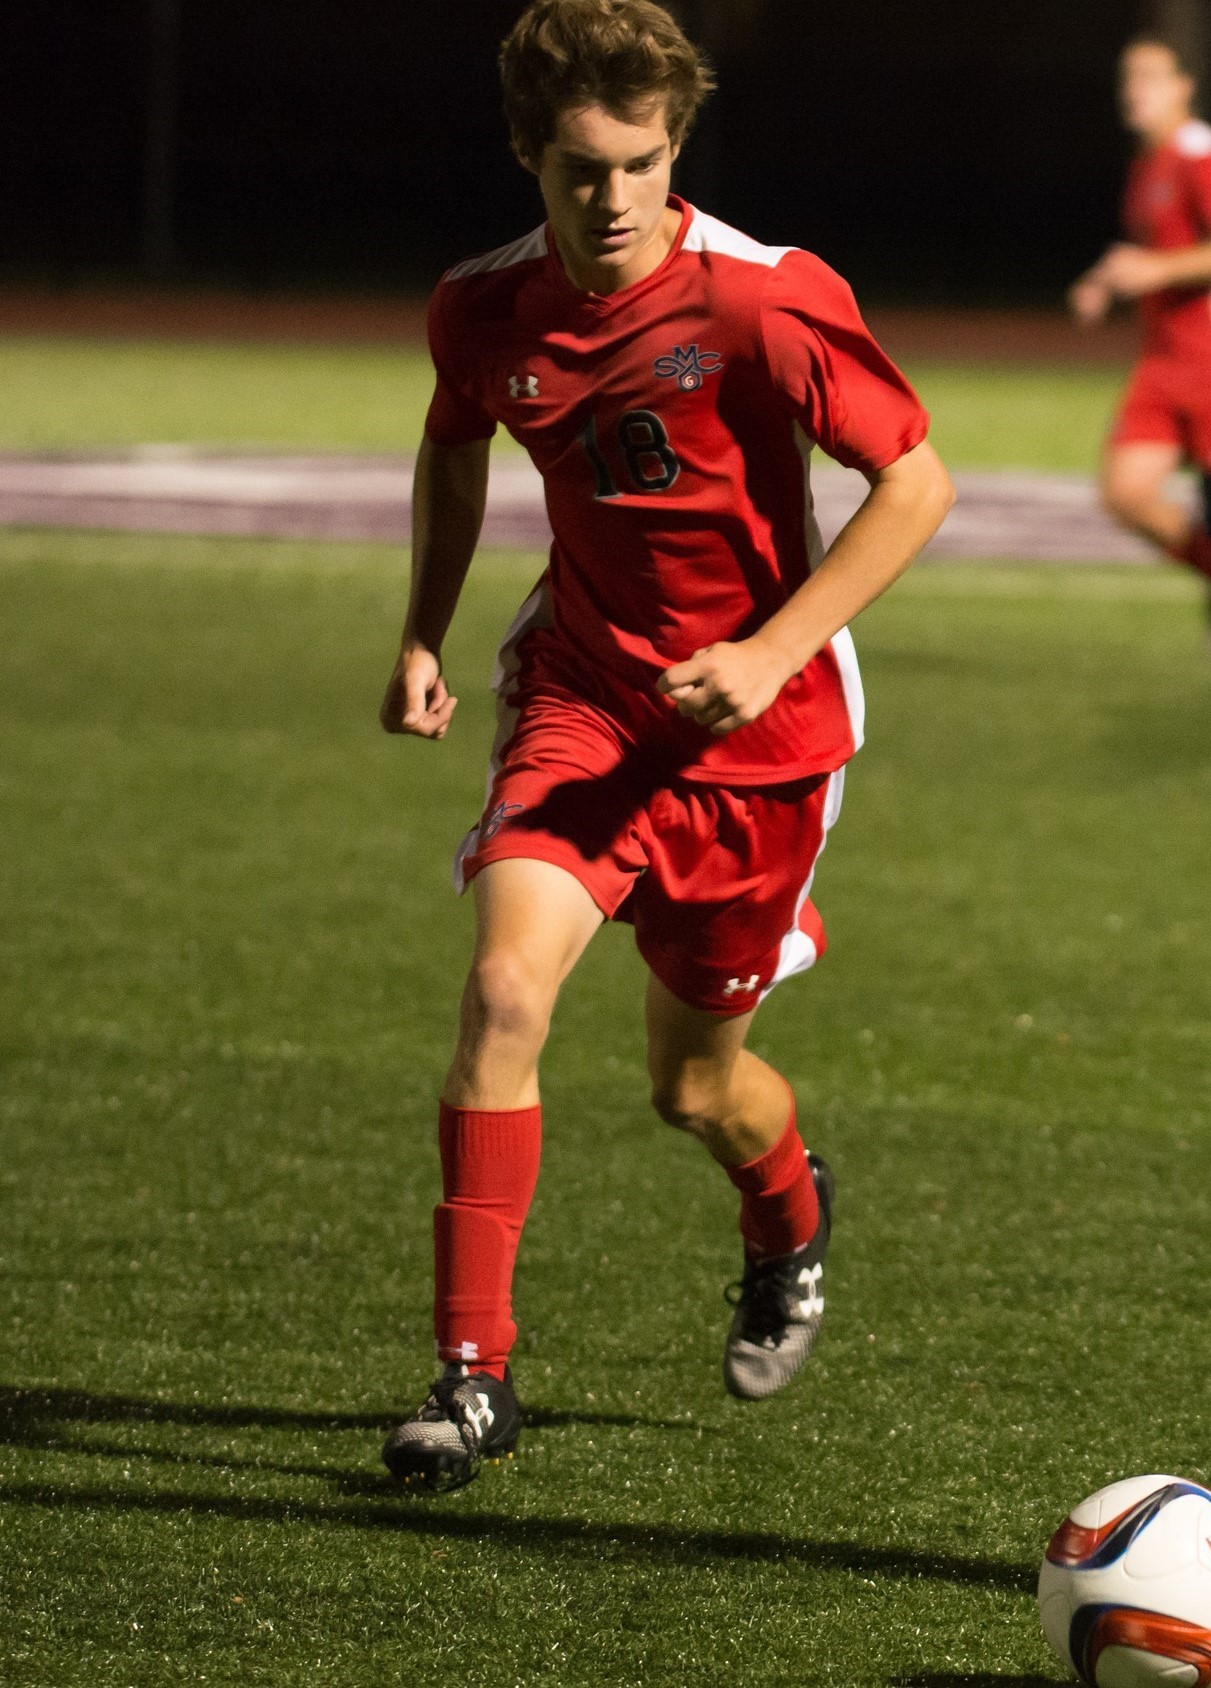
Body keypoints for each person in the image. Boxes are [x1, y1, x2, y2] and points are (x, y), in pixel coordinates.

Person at [375, 0, 952, 1490]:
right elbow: (452, 446)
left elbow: (915, 482)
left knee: (695, 1087)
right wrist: (425, 632)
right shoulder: (481, 309)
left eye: (641, 163)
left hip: (765, 743)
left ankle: (786, 1217)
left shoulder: (762, 301)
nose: (613, 198)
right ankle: (470, 1373)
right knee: (505, 989)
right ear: (528, 154)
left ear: (675, 147)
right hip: (582, 700)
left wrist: (769, 652)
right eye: (581, 168)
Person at [1069, 35, 1211, 699]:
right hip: (1164, 364)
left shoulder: (1199, 152)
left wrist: (1153, 269)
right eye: (1128, 78)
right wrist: (1107, 279)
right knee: (1125, 493)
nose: (1134, 91)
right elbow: (1154, 253)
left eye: (1150, 78)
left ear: (1183, 87)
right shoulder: (1150, 163)